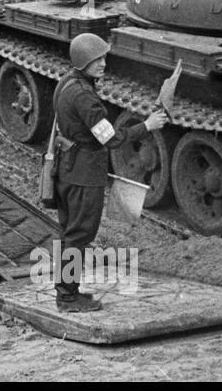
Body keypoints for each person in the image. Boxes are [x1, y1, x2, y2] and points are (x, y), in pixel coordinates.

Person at [50, 33, 167, 313]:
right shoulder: (83, 97)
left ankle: (69, 290)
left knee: (70, 233)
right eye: (96, 60)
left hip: (68, 168)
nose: (103, 64)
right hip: (83, 174)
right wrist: (147, 126)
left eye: (103, 57)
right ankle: (67, 297)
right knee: (80, 234)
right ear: (83, 62)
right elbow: (111, 138)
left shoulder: (68, 82)